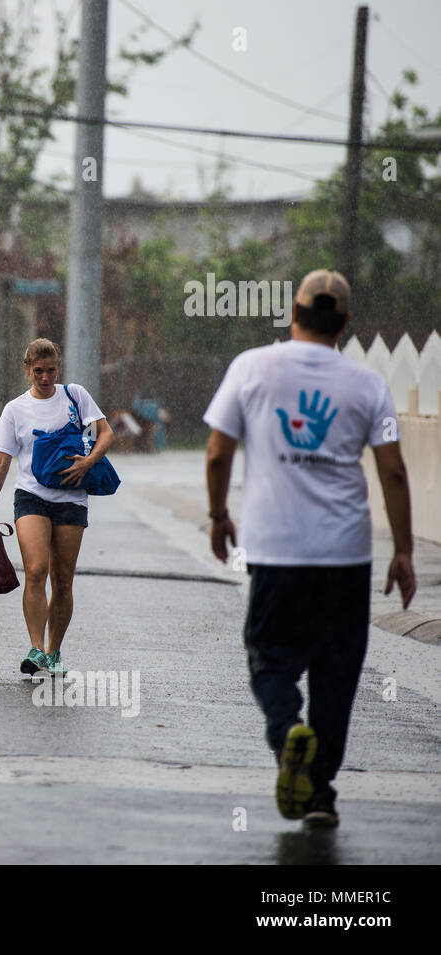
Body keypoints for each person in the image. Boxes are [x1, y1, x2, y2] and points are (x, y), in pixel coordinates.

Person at [203, 268, 416, 828]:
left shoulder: (251, 367)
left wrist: (218, 514)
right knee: (337, 672)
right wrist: (403, 551)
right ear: (346, 324)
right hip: (345, 556)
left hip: (276, 551)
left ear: (292, 314)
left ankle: (285, 732)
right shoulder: (367, 384)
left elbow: (217, 453)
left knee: (270, 660)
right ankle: (320, 792)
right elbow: (392, 471)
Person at [0, 338, 113, 676]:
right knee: (36, 570)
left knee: (63, 580)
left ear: (58, 368)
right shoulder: (15, 409)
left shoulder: (76, 396)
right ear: (28, 370)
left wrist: (88, 462)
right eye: (38, 371)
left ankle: (54, 652)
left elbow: (106, 433)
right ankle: (36, 649)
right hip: (31, 496)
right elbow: (1, 462)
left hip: (71, 498)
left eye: (51, 370)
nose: (45, 377)